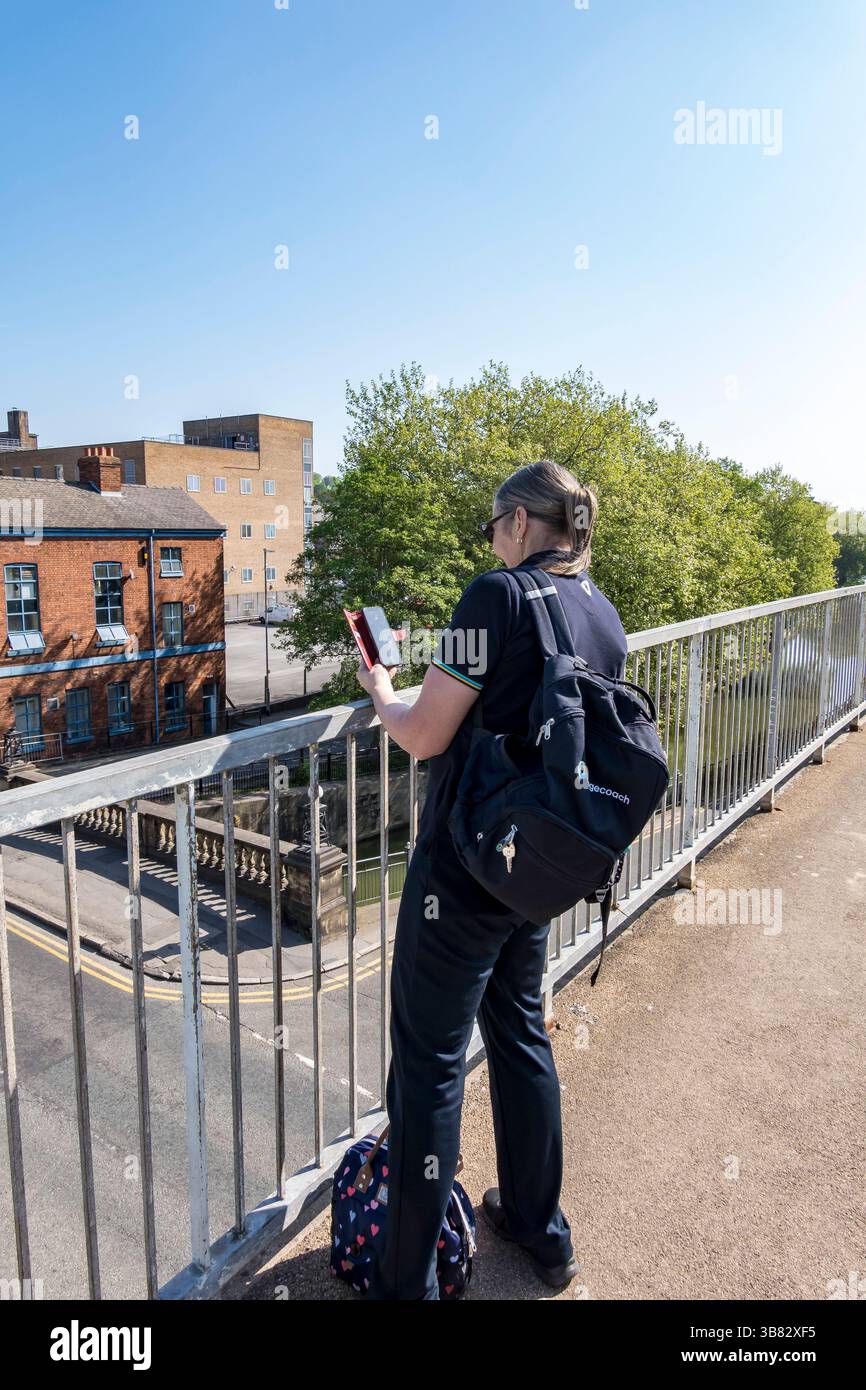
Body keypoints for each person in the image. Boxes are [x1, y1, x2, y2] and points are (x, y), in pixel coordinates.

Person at [355, 459, 629, 1300]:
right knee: (518, 1031)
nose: (490, 542)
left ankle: (407, 1281)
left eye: (491, 527)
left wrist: (381, 689)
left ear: (517, 524)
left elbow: (428, 734)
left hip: (464, 872)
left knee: (431, 1065)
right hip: (539, 868)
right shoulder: (602, 613)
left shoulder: (493, 596)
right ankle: (542, 1230)